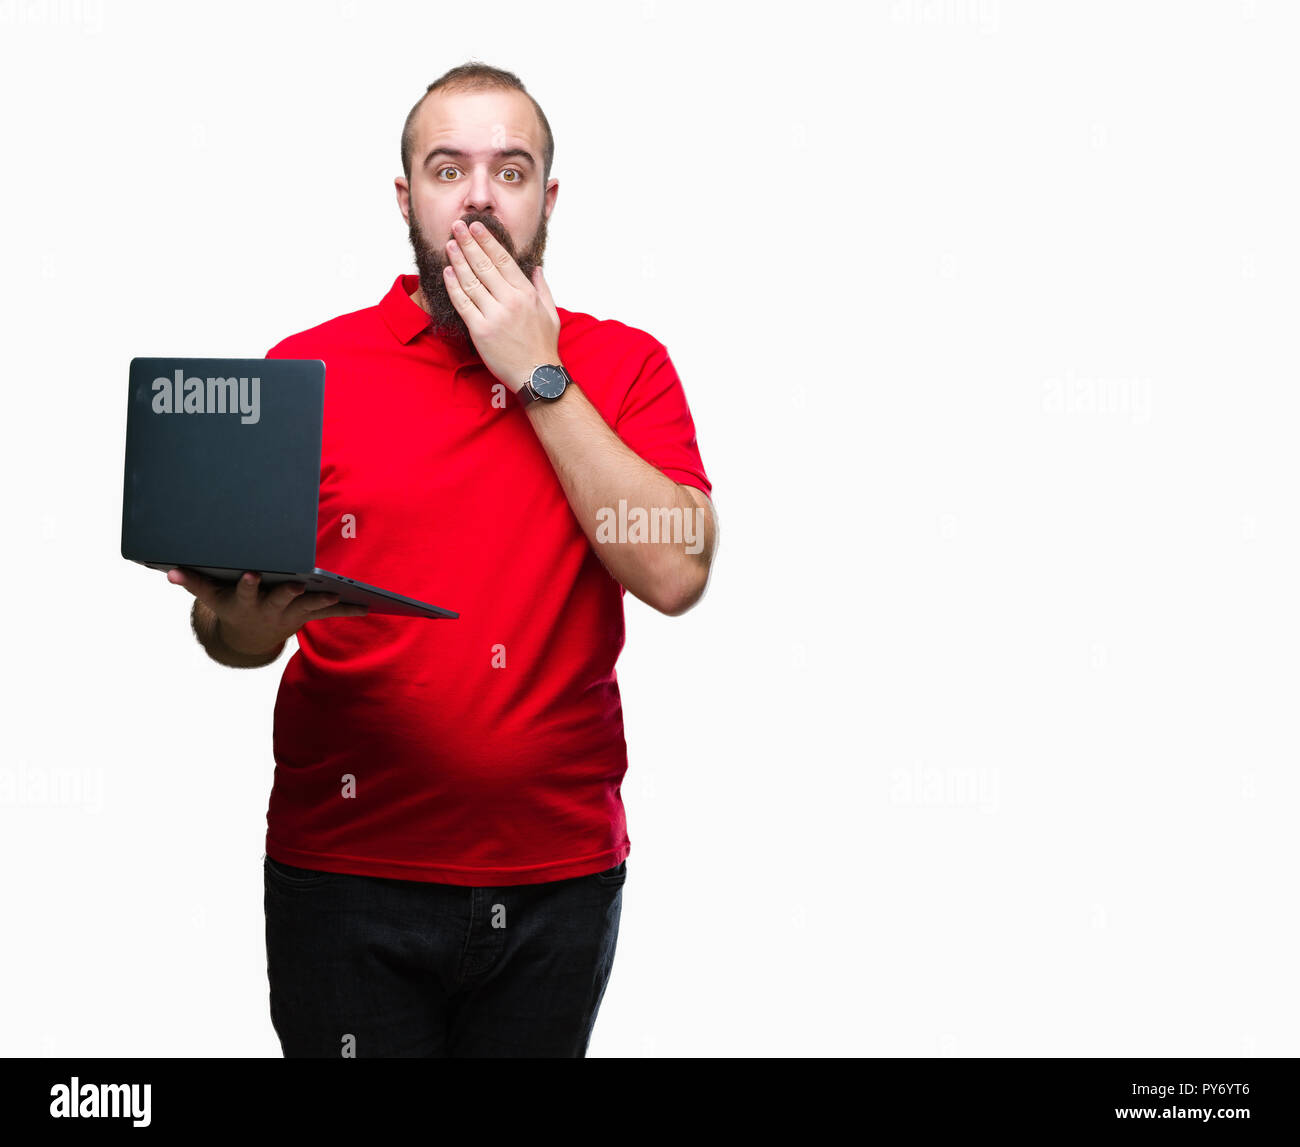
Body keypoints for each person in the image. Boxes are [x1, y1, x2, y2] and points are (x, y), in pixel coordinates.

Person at [168, 61, 717, 1058]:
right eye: (445, 167)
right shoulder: (303, 370)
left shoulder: (625, 366)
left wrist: (537, 374)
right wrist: (242, 624)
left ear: (546, 200)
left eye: (509, 171)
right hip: (344, 876)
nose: (476, 193)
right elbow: (226, 633)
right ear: (405, 196)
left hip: (556, 879)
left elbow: (675, 572)